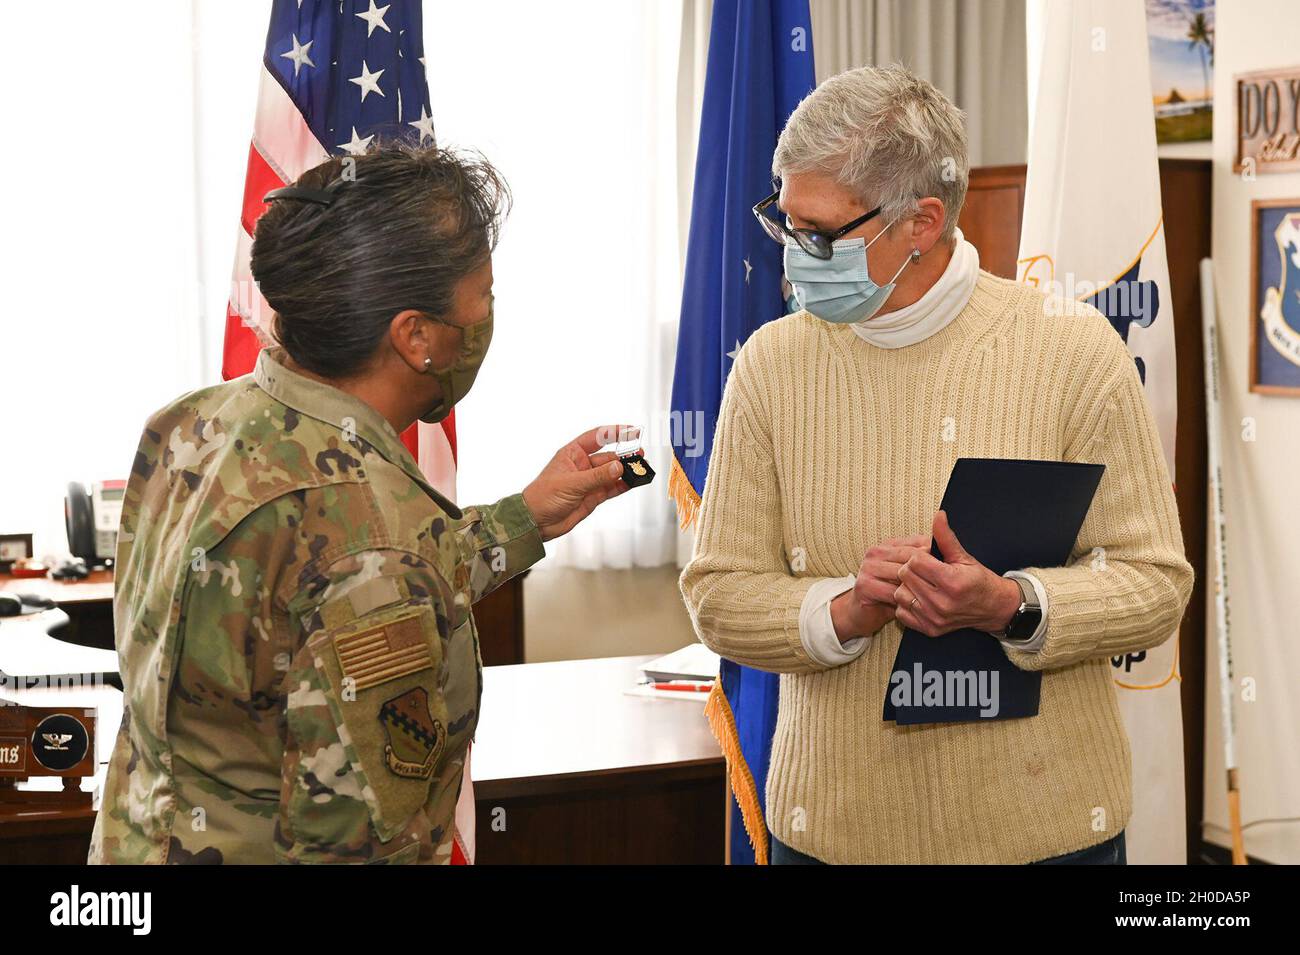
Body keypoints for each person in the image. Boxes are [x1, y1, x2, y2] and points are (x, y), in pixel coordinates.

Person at [679, 65, 1193, 865]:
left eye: (818, 235)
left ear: (919, 222)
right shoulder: (770, 365)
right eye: (783, 222)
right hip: (831, 837)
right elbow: (717, 594)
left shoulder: (1073, 349)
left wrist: (1013, 605)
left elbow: (1157, 582)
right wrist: (841, 610)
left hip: (1047, 837)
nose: (792, 255)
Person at [90, 143, 631, 864]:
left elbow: (305, 596)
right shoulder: (372, 534)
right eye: (485, 296)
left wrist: (526, 518)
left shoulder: (188, 423)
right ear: (416, 336)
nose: (489, 316)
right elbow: (359, 846)